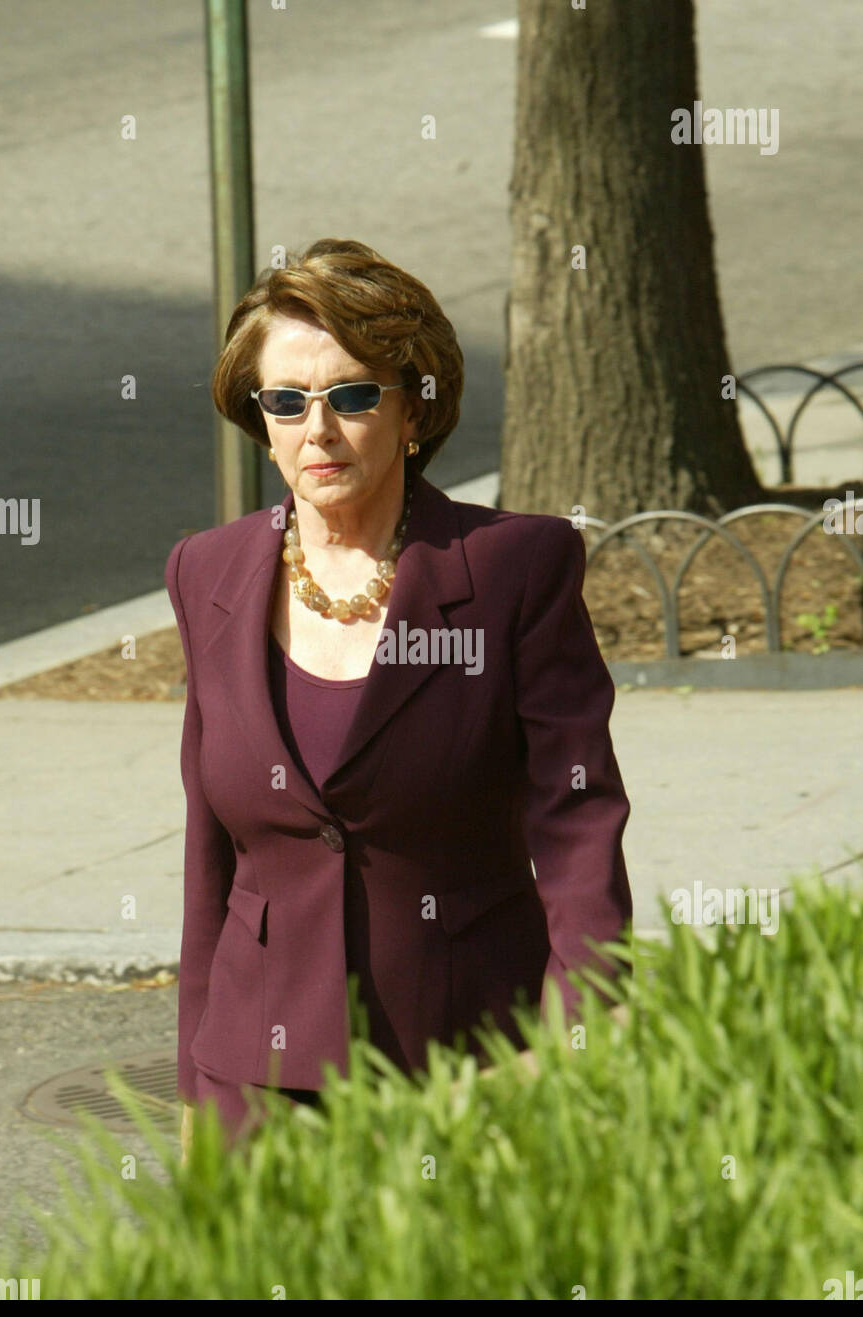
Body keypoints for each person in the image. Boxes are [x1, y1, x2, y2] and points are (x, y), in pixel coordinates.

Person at [165, 237, 633, 1156]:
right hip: (254, 1084)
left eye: (349, 396)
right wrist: (191, 1090)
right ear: (258, 418)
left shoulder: (512, 569)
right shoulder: (204, 573)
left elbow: (577, 825)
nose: (318, 431)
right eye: (287, 403)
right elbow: (209, 856)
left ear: (413, 409)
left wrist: (580, 1035)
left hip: (471, 1067)